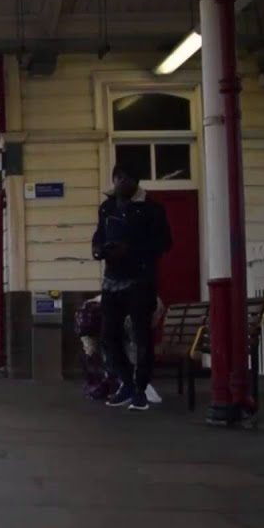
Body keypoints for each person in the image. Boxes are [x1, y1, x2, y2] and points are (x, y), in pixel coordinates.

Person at [92, 163, 172, 411]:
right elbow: (99, 235)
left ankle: (140, 388)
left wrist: (132, 251)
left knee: (141, 335)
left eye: (127, 179)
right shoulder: (106, 207)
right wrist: (98, 250)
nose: (122, 184)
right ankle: (126, 382)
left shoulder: (151, 209)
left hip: (140, 279)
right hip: (112, 280)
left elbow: (164, 242)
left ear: (135, 182)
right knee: (108, 335)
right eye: (119, 179)